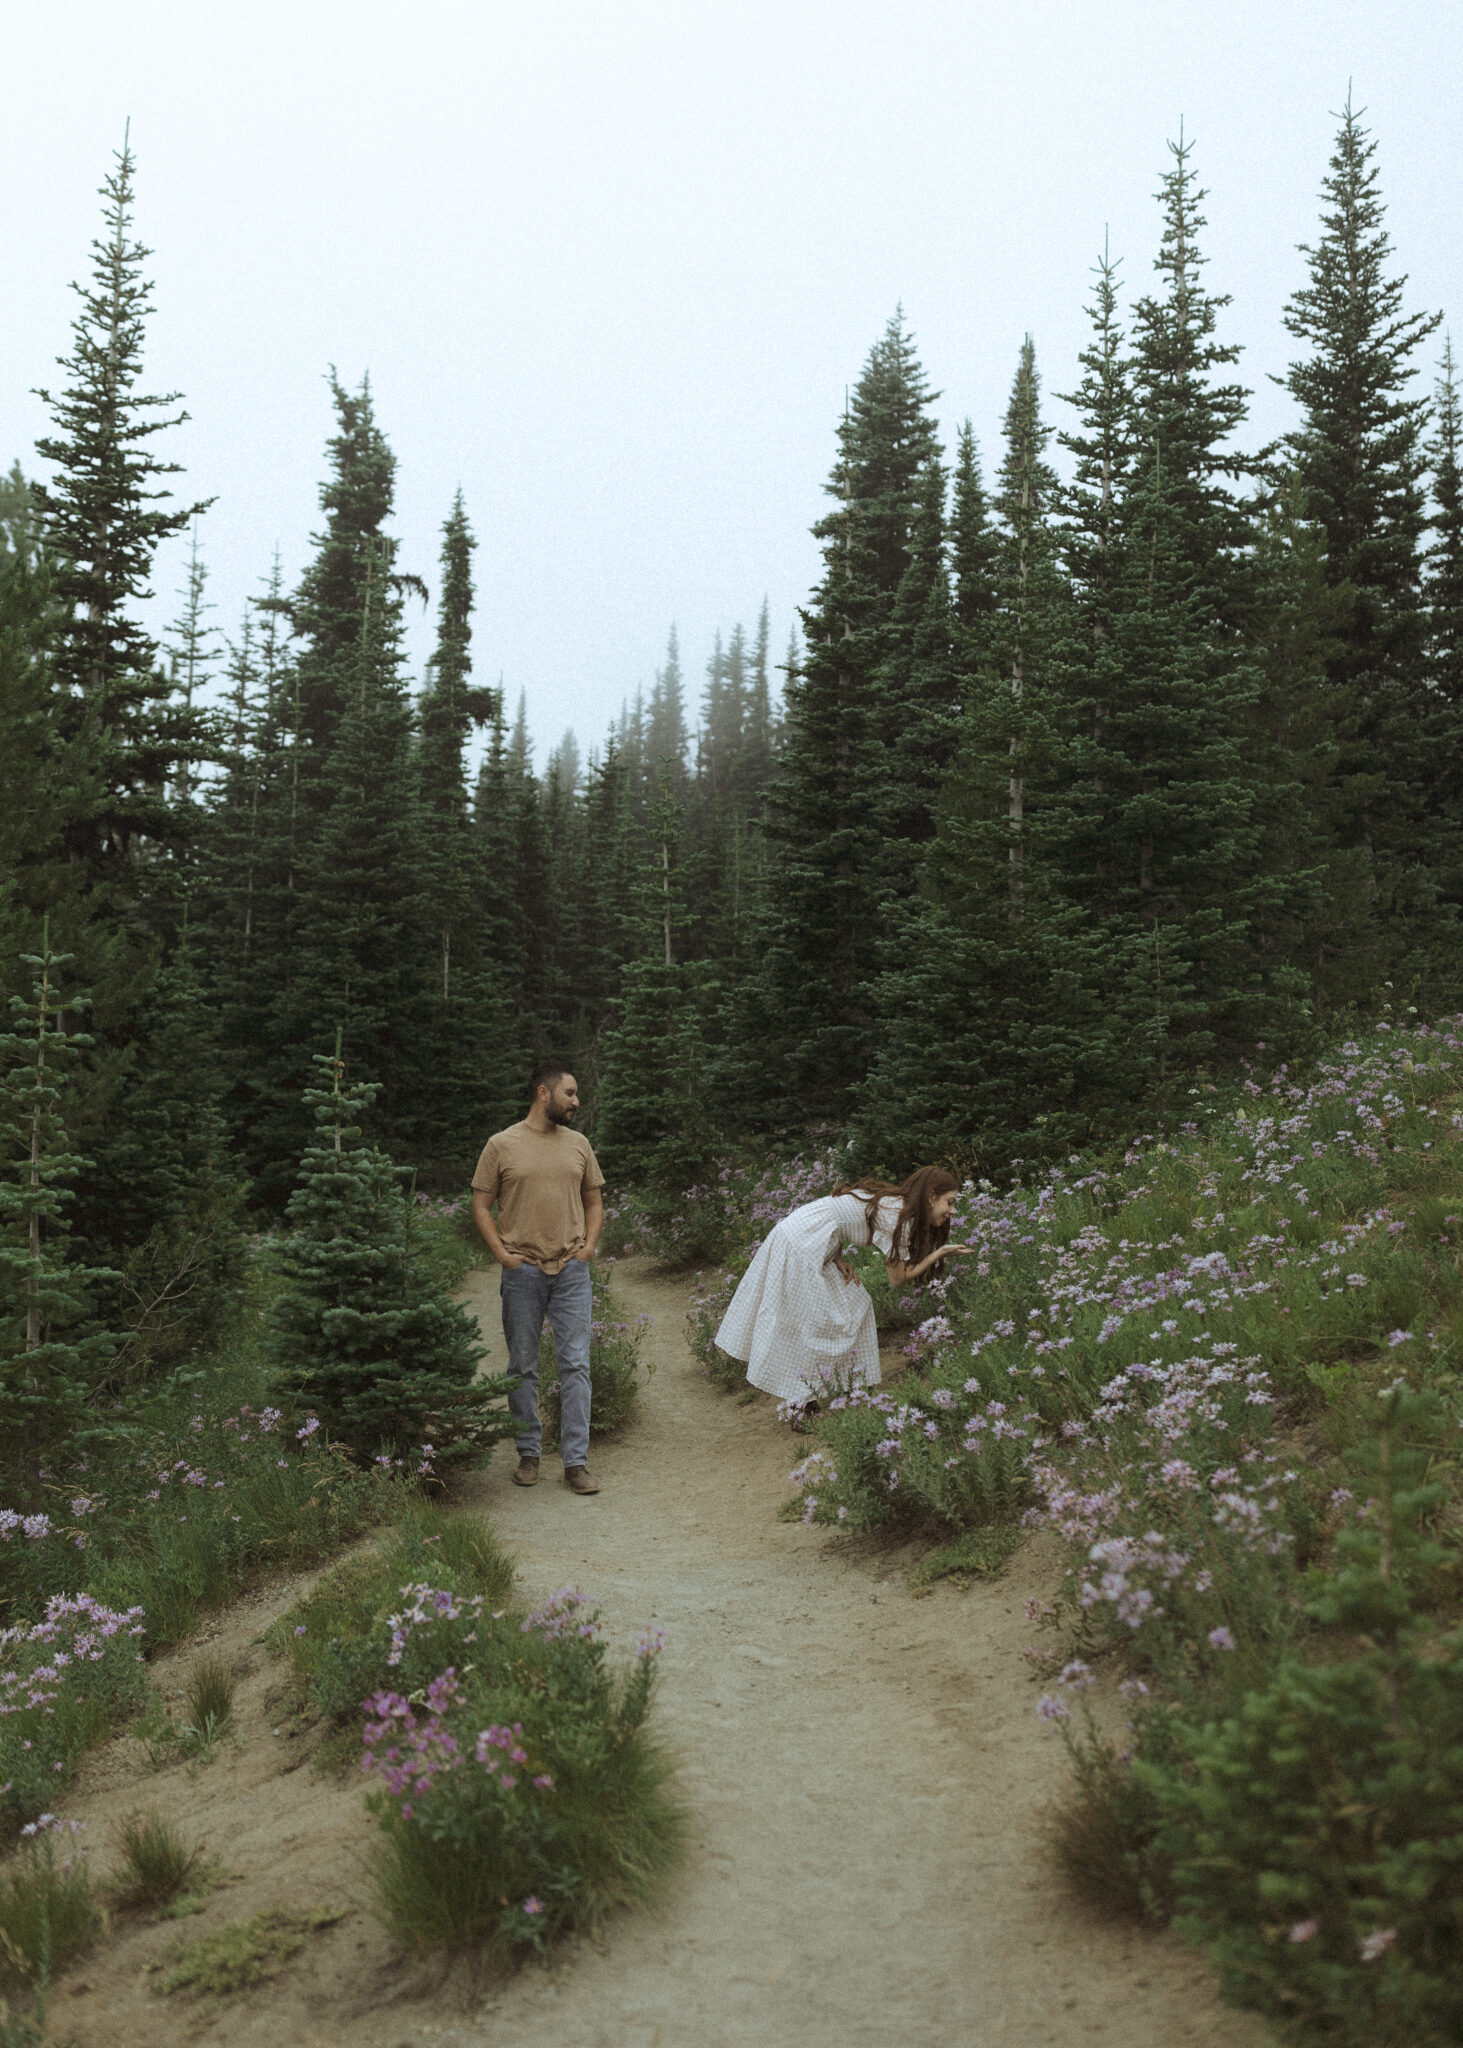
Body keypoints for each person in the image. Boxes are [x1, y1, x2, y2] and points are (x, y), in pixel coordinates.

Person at [713, 1166, 972, 1422]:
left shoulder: (897, 1206)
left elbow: (837, 1213)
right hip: (800, 1243)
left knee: (857, 1302)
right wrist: (940, 1253)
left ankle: (855, 1387)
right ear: (931, 1197)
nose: (952, 1211)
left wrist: (837, 1255)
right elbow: (898, 1279)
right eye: (949, 1202)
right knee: (812, 1323)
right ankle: (799, 1405)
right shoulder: (897, 1216)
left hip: (812, 1240)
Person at [471, 1063, 606, 1494]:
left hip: (571, 1271)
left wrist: (588, 1248)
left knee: (576, 1366)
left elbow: (594, 1202)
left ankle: (575, 1464)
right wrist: (503, 1255)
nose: (576, 1101)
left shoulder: (579, 1144)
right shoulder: (501, 1144)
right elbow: (480, 1205)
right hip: (522, 1272)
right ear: (544, 1094)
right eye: (570, 1092)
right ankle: (528, 1455)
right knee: (521, 1366)